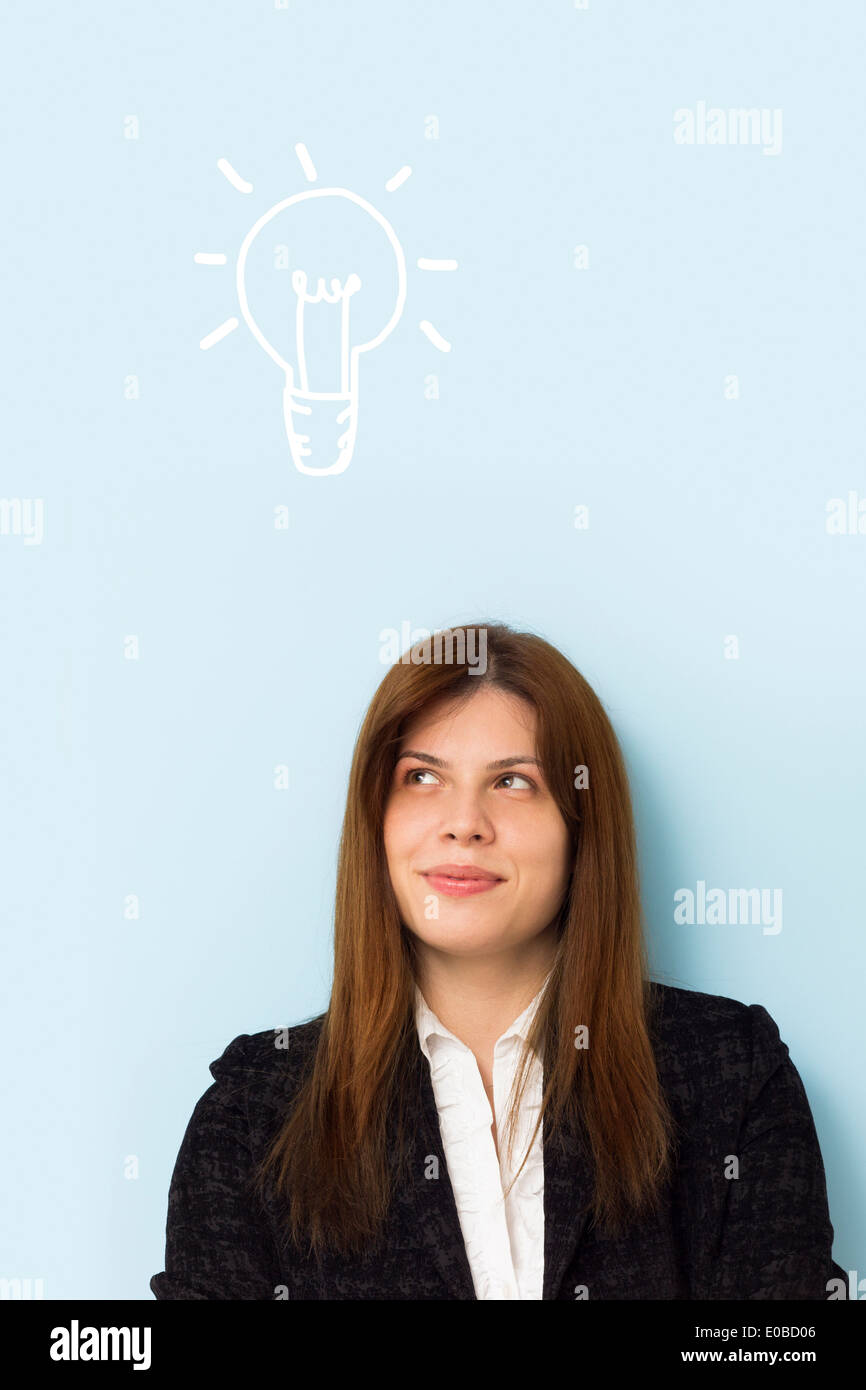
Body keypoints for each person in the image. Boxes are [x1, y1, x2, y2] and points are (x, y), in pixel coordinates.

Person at [150, 621, 847, 1300]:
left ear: (581, 827)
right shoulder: (252, 1116)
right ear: (377, 821)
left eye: (513, 782)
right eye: (422, 777)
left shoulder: (731, 1077)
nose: (464, 822)